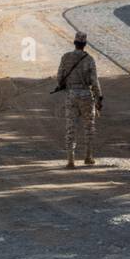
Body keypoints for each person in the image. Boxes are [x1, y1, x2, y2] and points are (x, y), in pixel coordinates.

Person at [53, 30, 102, 168]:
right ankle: (88, 156)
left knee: (71, 127)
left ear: (74, 43)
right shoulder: (89, 59)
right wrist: (99, 98)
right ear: (85, 44)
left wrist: (64, 85)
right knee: (89, 127)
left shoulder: (65, 57)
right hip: (86, 95)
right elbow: (94, 81)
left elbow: (59, 77)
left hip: (71, 95)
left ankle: (70, 159)